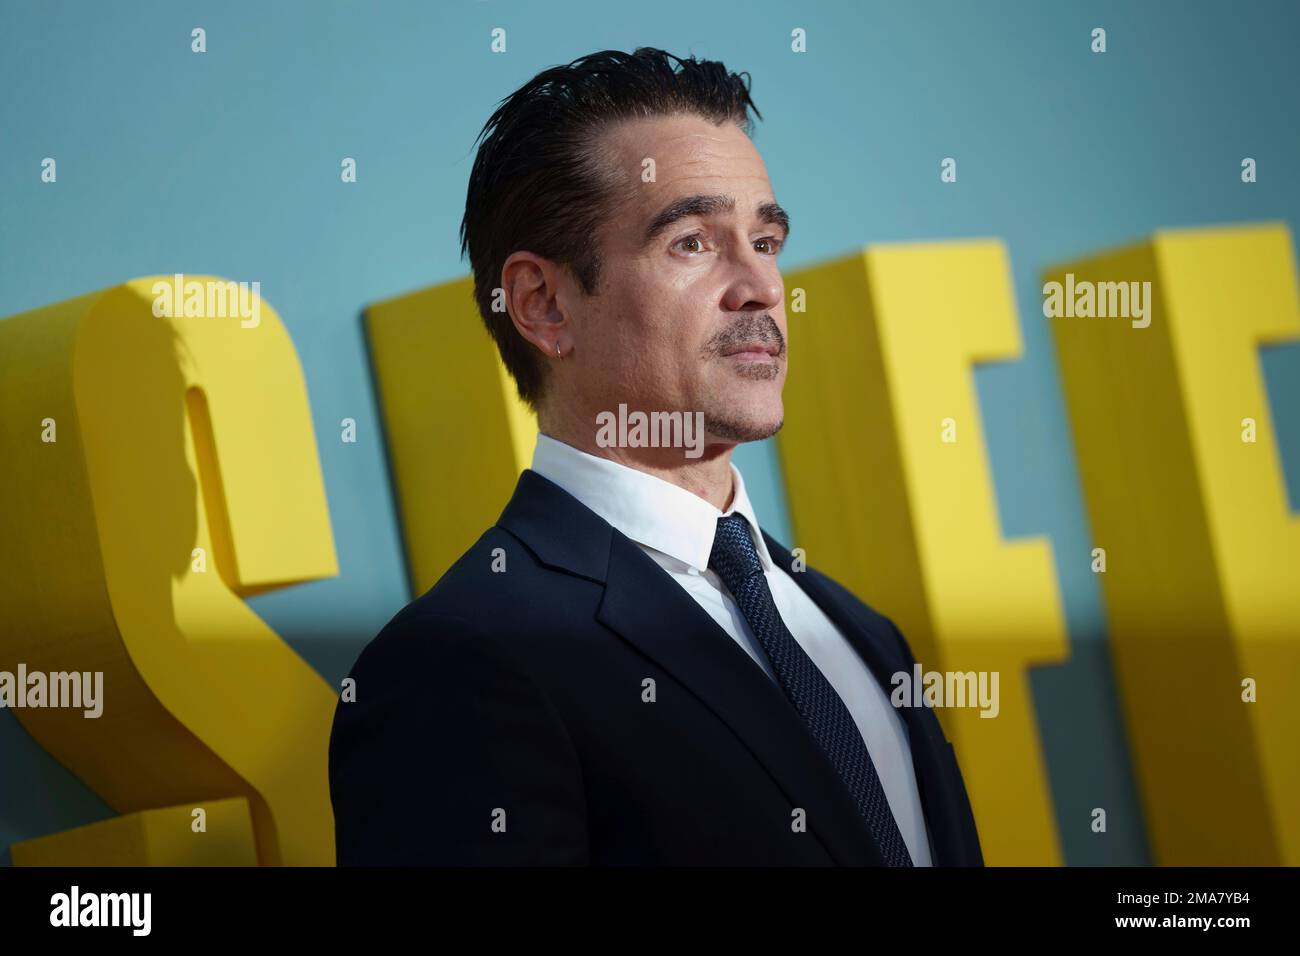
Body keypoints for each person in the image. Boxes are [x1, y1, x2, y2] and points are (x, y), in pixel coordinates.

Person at [329, 47, 983, 866]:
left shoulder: (862, 636)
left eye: (767, 239)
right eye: (692, 242)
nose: (760, 286)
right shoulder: (458, 666)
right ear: (543, 303)